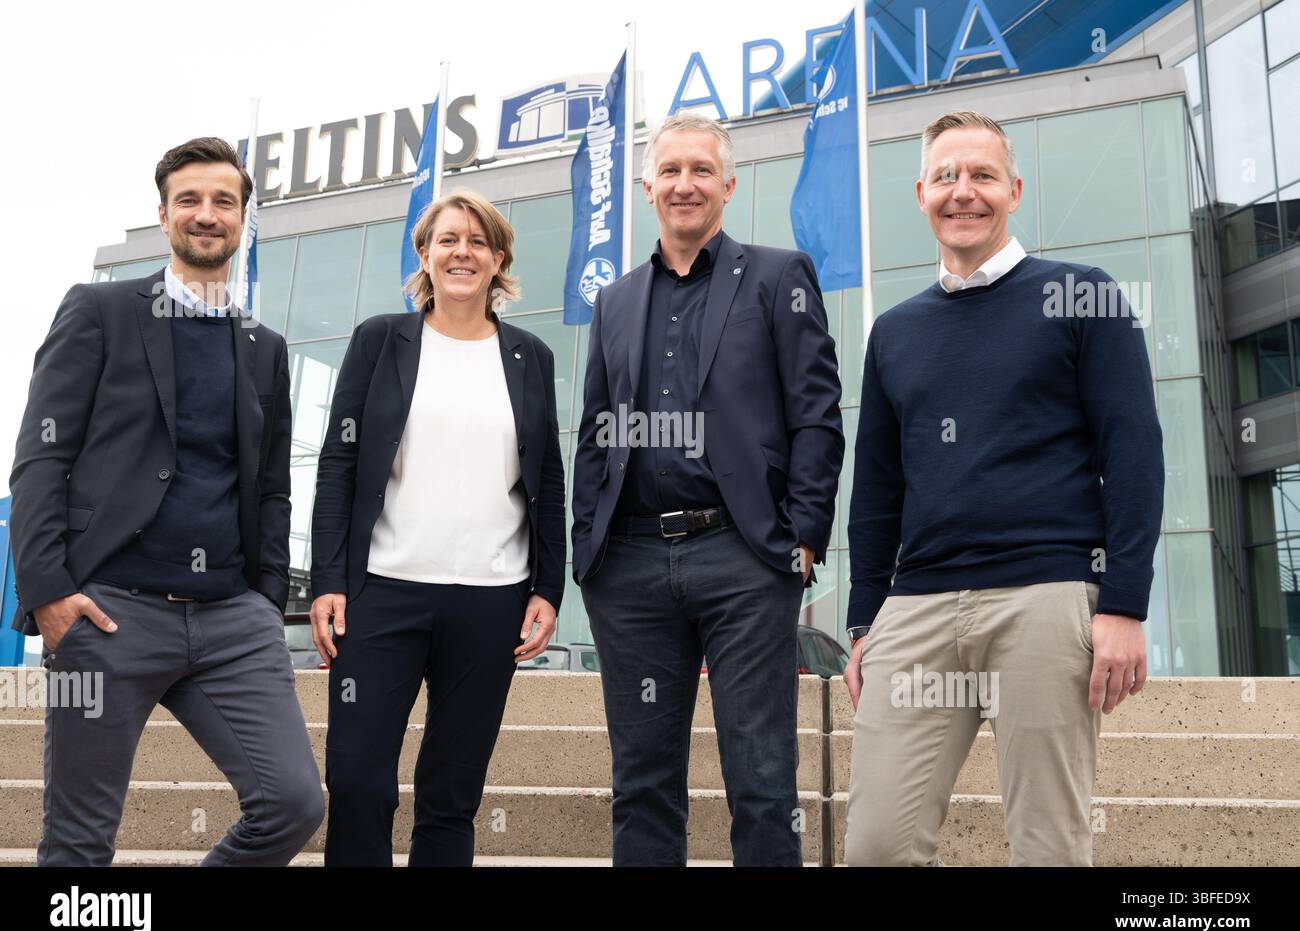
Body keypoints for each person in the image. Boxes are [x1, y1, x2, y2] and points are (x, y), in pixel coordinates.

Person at [842, 110, 1164, 866]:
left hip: (1046, 601)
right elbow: (878, 486)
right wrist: (864, 622)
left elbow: (1135, 452)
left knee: (1048, 848)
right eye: (947, 176)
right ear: (920, 193)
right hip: (917, 610)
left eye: (983, 175)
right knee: (876, 847)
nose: (964, 192)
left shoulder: (1082, 295)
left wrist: (1123, 604)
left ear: (1014, 190)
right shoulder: (893, 331)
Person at [9, 137, 323, 866]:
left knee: (292, 804)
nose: (206, 214)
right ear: (163, 215)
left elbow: (271, 485)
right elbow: (41, 457)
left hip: (230, 622)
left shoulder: (263, 347)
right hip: (111, 613)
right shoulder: (99, 311)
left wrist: (264, 600)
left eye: (223, 201)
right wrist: (50, 593)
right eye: (190, 200)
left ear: (244, 219)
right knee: (79, 845)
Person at [571, 112, 843, 866]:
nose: (684, 184)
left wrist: (802, 537)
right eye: (670, 170)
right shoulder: (615, 301)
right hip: (627, 567)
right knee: (642, 783)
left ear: (727, 184)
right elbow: (597, 428)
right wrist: (586, 543)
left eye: (701, 170)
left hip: (743, 557)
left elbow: (817, 417)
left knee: (761, 778)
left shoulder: (779, 276)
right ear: (647, 185)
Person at [310, 188, 566, 867]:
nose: (462, 252)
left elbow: (547, 478)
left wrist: (548, 588)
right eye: (447, 239)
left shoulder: (530, 357)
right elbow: (339, 462)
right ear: (424, 255)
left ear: (499, 258)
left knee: (452, 793)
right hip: (382, 592)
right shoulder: (378, 342)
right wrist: (329, 579)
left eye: (477, 241)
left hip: (492, 599)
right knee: (360, 782)